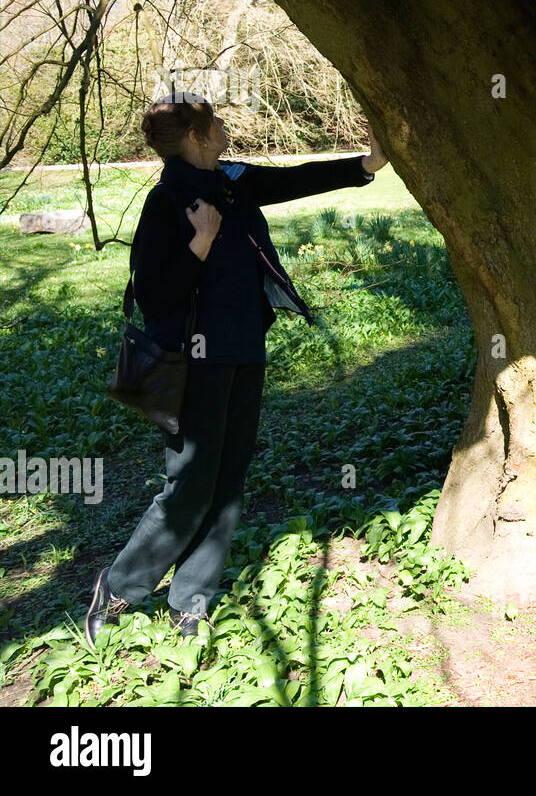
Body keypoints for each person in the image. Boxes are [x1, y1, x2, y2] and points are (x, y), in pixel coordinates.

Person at [85, 93, 389, 645]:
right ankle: (119, 586)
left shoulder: (232, 180)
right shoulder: (166, 199)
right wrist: (200, 243)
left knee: (228, 479)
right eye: (216, 123)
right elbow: (153, 295)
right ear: (197, 136)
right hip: (195, 358)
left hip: (245, 346)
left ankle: (191, 599)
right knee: (191, 482)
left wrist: (366, 165)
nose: (226, 127)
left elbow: (294, 181)